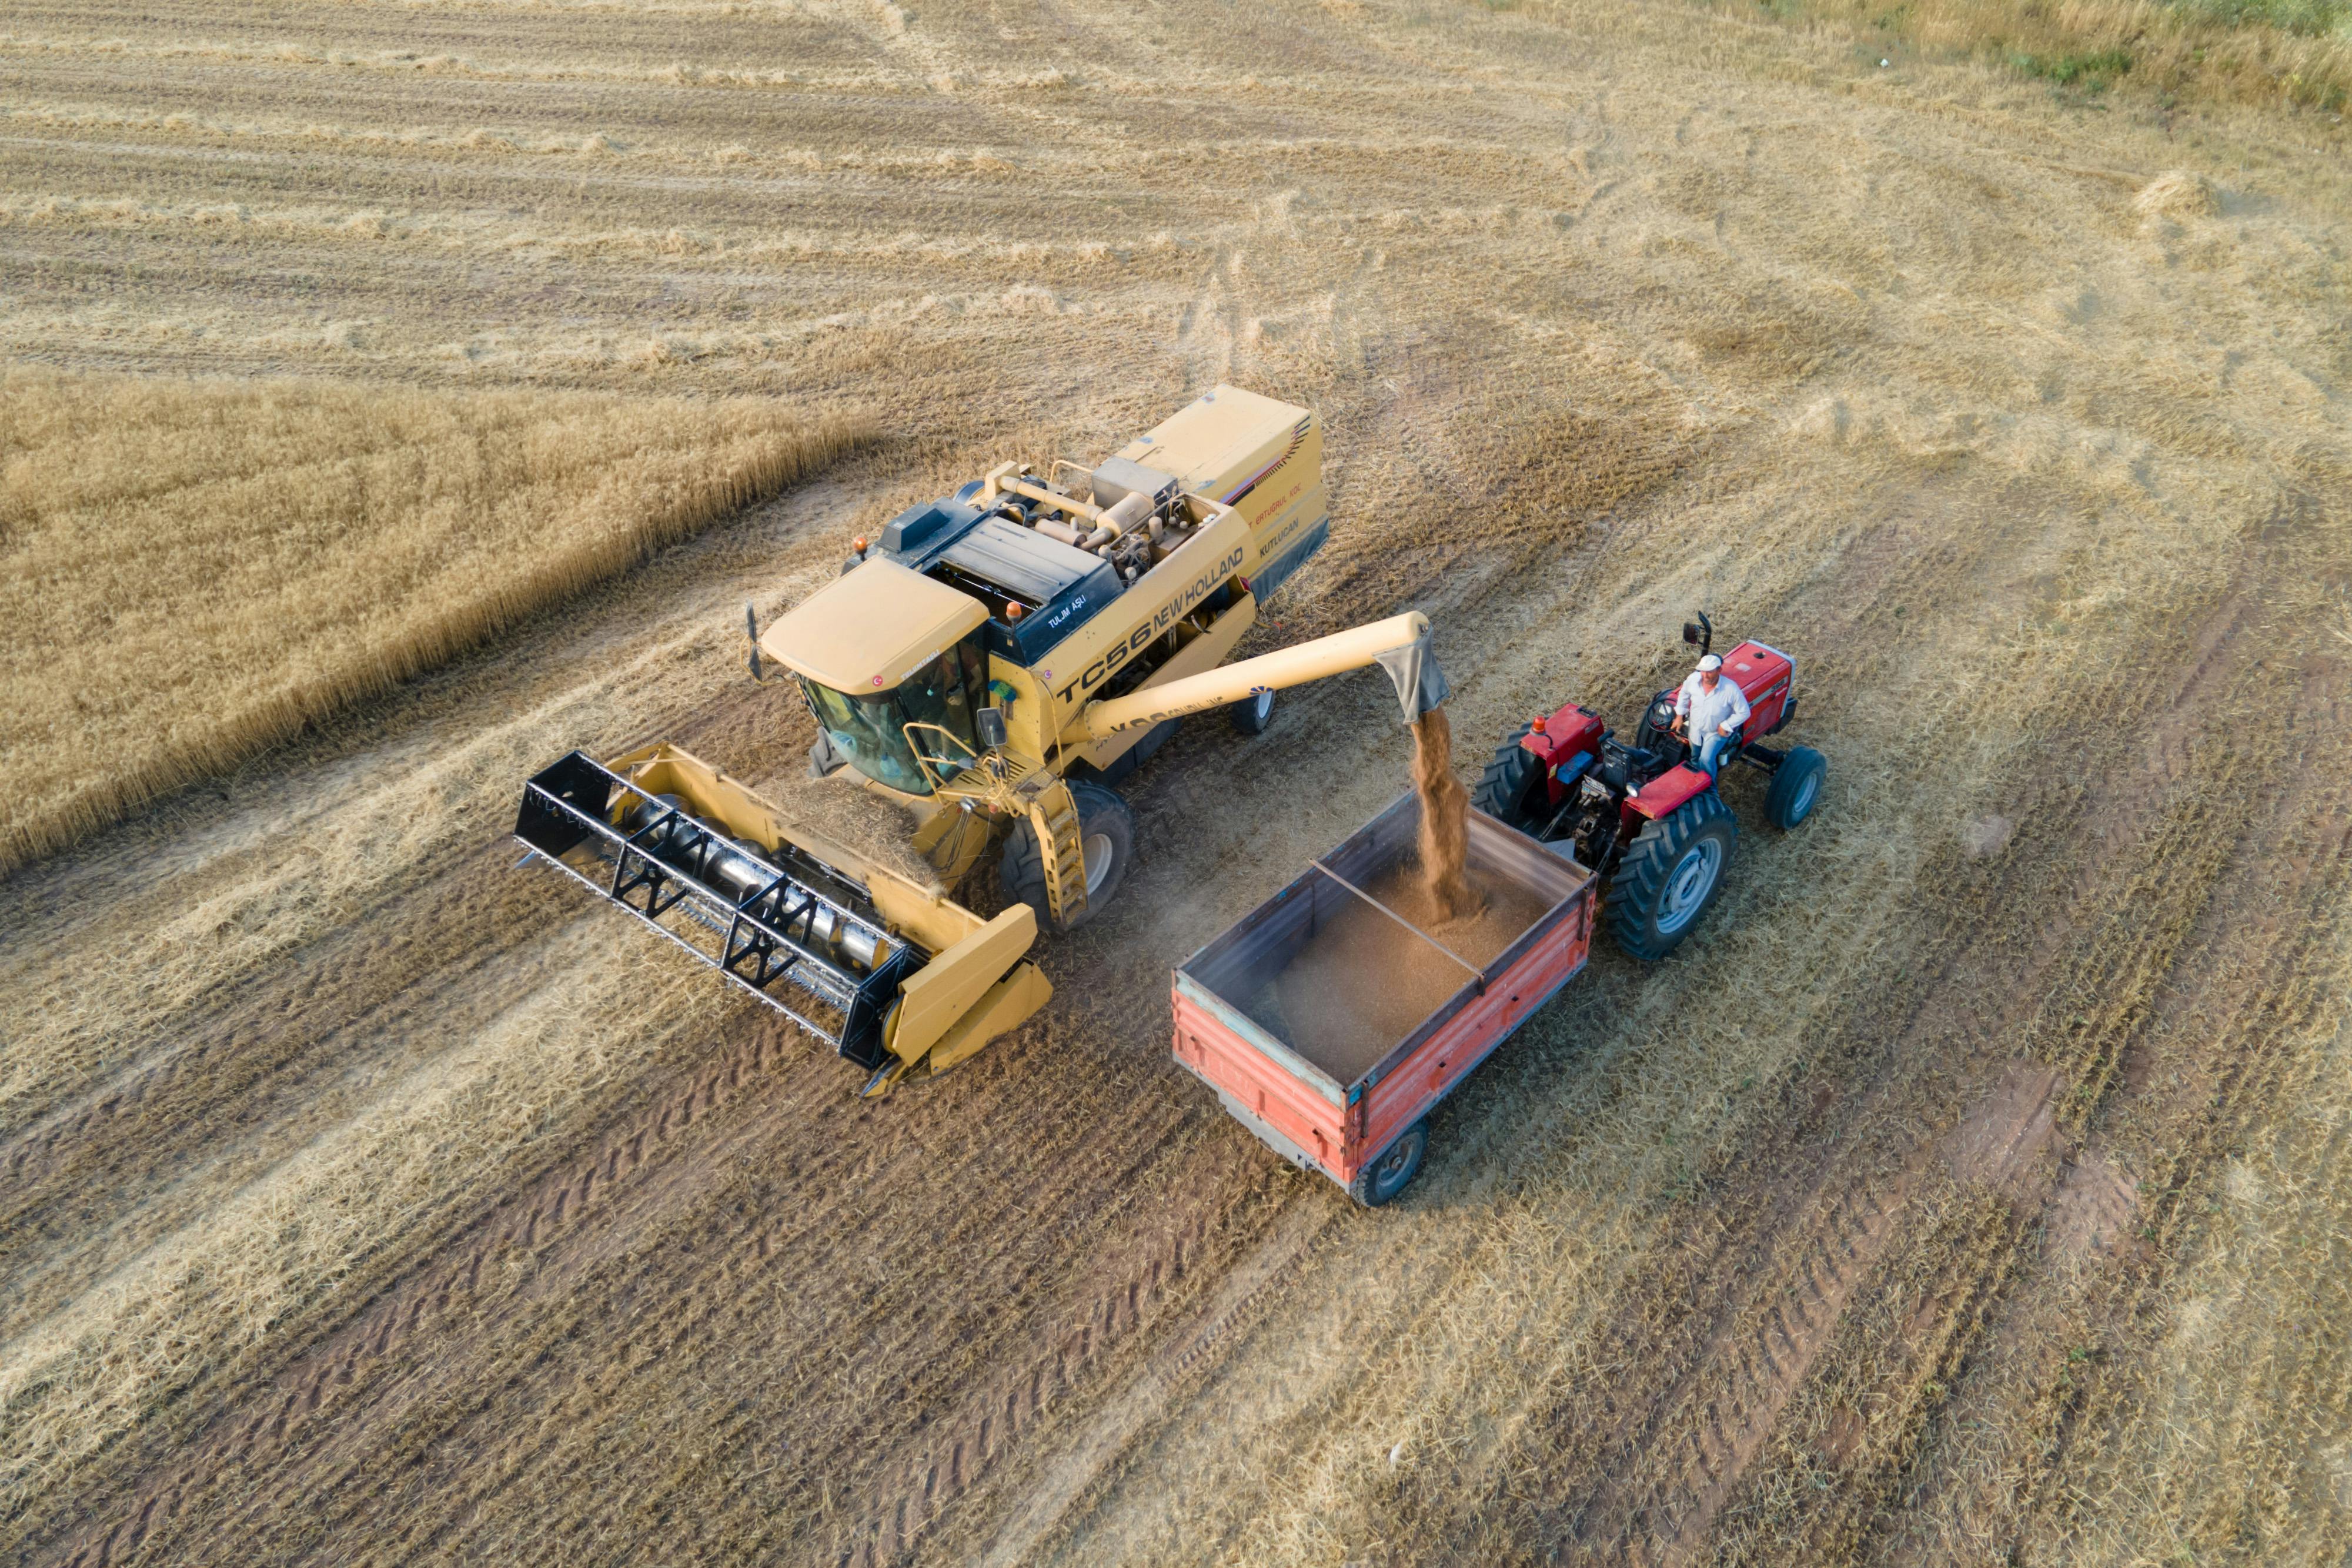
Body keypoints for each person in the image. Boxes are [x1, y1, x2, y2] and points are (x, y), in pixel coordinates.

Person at [1672, 653, 1750, 780]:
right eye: (1703, 672)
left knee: (1706, 759)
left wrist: (1725, 725)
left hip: (1715, 732)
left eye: (1710, 672)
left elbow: (1744, 712)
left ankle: (1710, 789)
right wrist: (1679, 716)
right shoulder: (1693, 680)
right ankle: (1697, 781)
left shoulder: (1730, 689)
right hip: (1696, 728)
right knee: (1695, 757)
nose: (1705, 676)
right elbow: (1684, 694)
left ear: (1719, 670)